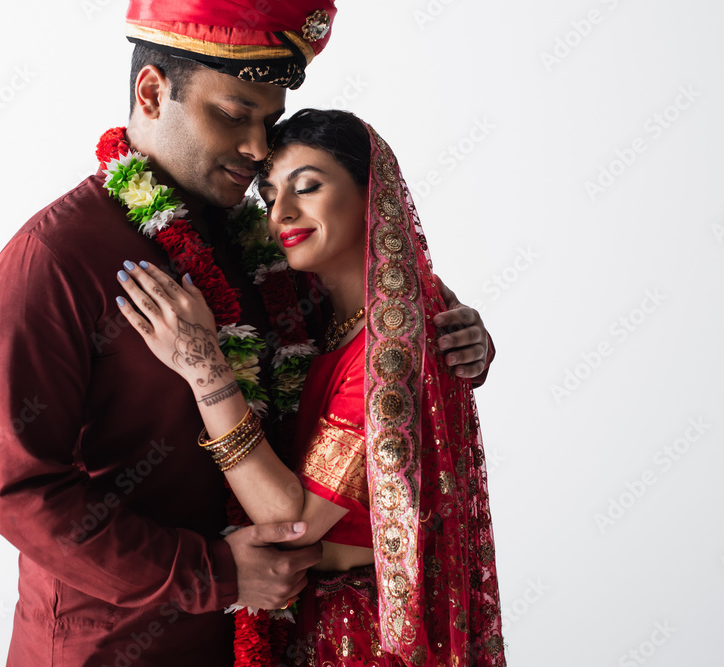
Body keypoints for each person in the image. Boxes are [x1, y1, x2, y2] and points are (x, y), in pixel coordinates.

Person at [0, 2, 496, 665]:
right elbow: (22, 497)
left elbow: (359, 333)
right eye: (233, 114)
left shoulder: (259, 241)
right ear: (153, 92)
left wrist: (453, 330)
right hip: (112, 646)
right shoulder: (53, 260)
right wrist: (216, 573)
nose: (255, 148)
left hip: (265, 641)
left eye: (267, 122)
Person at [114, 109, 505, 666]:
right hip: (316, 617)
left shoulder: (388, 344)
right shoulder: (332, 313)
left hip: (359, 636)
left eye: (308, 187)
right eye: (270, 196)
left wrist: (207, 371)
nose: (282, 215)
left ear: (376, 195)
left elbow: (293, 524)